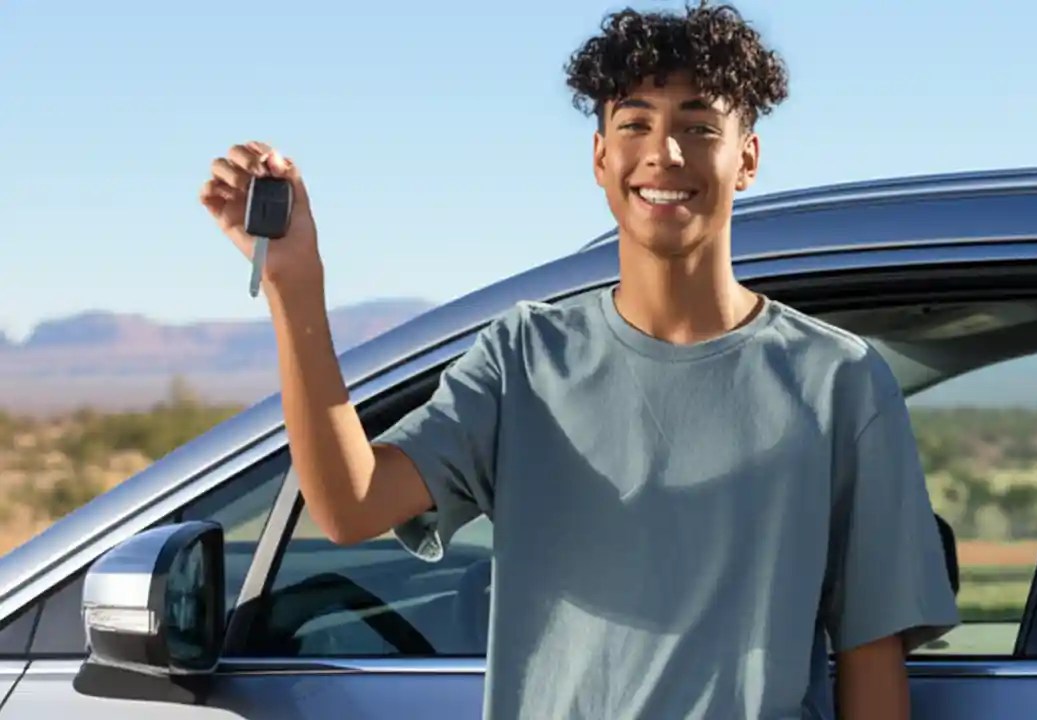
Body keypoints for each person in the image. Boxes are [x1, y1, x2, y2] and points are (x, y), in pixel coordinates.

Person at [198, 2, 958, 718]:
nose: (664, 152)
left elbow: (870, 659)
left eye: (699, 127)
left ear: (747, 158)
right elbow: (348, 502)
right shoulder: (522, 359)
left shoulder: (840, 381)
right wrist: (296, 286)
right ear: (601, 156)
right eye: (636, 123)